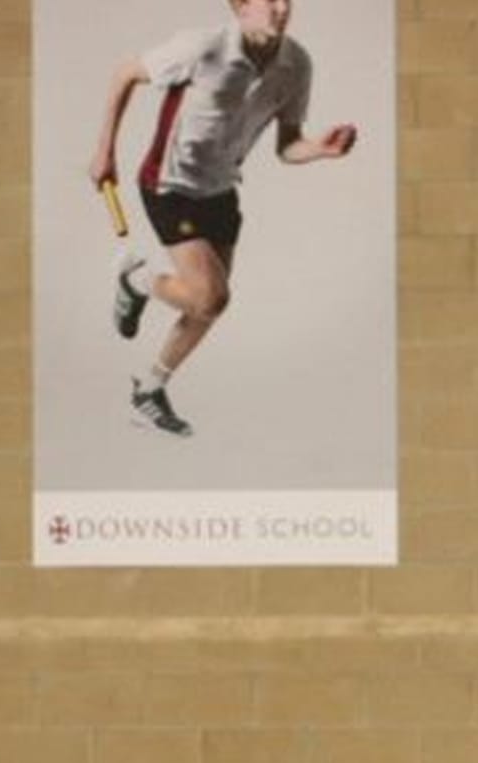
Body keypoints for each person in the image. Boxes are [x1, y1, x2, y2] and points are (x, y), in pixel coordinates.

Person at [90, 0, 359, 440]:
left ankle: (149, 389)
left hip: (220, 191)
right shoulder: (202, 47)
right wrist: (105, 152)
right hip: (169, 185)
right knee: (210, 298)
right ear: (239, 5)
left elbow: (286, 146)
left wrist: (319, 150)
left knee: (207, 306)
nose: (280, 7)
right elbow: (125, 73)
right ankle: (136, 282)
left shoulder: (296, 64)